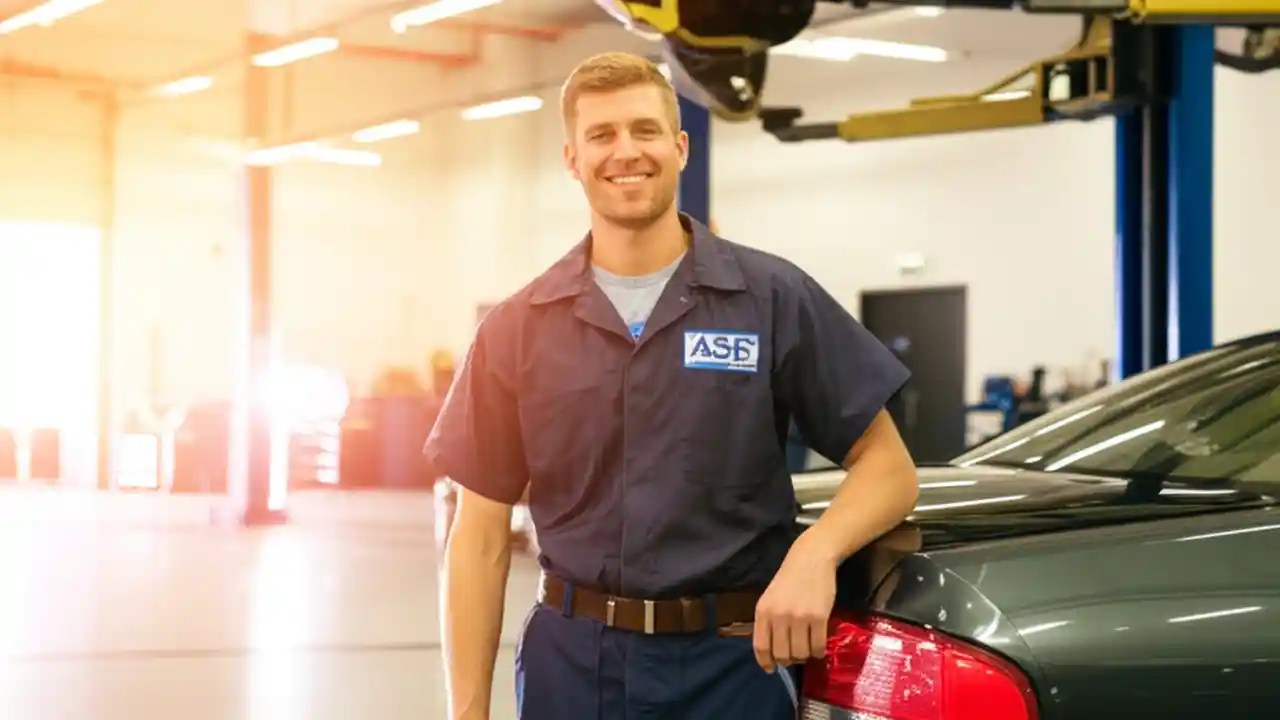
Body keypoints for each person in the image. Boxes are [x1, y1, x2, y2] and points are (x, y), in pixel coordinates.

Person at [424, 51, 919, 720]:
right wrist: (467, 713)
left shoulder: (770, 298)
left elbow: (888, 470)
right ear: (573, 159)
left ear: (680, 147)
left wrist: (815, 553)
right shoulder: (519, 328)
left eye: (645, 130)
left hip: (732, 666)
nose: (625, 151)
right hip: (573, 670)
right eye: (602, 135)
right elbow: (479, 538)